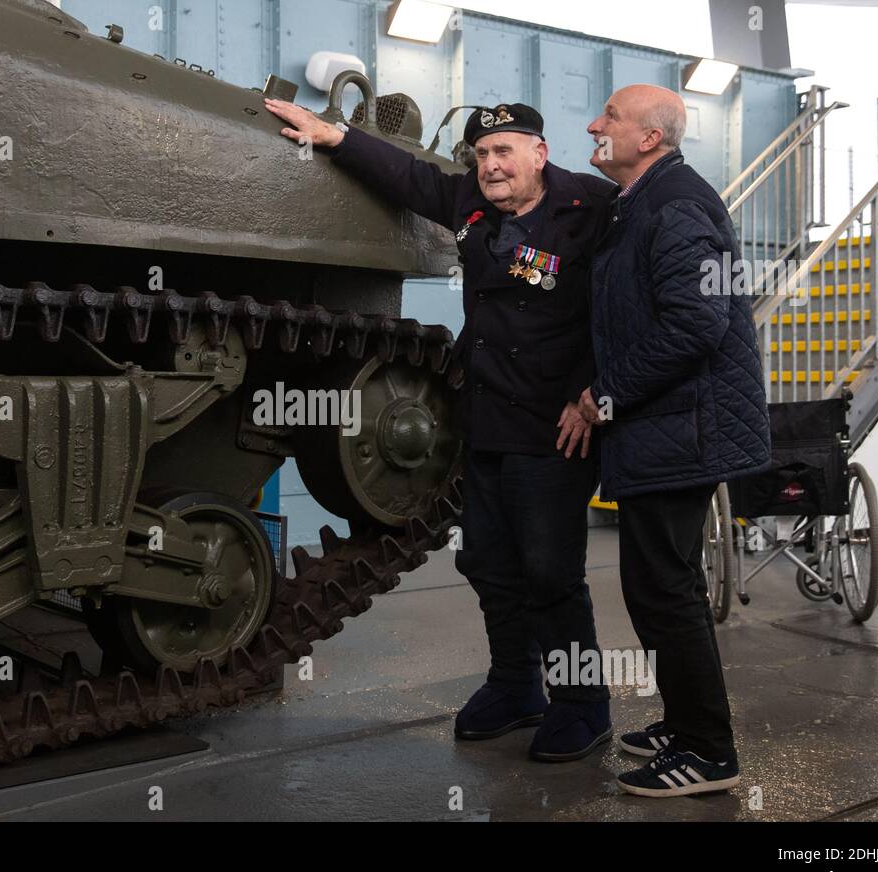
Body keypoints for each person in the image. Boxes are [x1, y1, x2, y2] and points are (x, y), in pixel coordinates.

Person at [265, 97, 615, 761]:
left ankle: (582, 704)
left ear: (539, 153)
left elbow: (626, 305)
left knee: (550, 573)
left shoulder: (592, 209)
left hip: (556, 427)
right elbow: (406, 176)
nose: (490, 164)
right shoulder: (470, 203)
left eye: (503, 151)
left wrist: (596, 393)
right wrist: (333, 136)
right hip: (484, 420)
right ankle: (516, 685)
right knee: (487, 562)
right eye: (482, 154)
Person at [581, 84, 771, 796]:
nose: (596, 126)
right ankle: (686, 720)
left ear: (650, 139)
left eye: (611, 118)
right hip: (666, 426)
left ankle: (709, 752)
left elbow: (695, 324)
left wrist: (605, 396)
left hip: (681, 428)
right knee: (663, 585)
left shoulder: (676, 205)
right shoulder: (640, 202)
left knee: (663, 590)